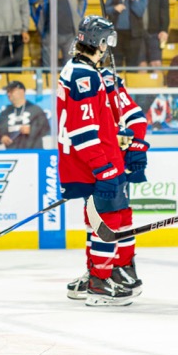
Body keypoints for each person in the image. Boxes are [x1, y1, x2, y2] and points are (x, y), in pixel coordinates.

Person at [53, 15, 136, 305]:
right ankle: (100, 281)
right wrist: (104, 168)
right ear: (99, 42)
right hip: (93, 163)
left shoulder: (80, 69)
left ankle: (101, 272)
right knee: (106, 220)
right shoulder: (83, 75)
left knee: (104, 218)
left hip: (91, 160)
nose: (108, 47)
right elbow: (83, 129)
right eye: (107, 41)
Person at [30, 0, 87, 69]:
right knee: (49, 68)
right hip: (49, 34)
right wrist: (38, 21)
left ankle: (67, 86)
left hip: (70, 33)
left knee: (70, 68)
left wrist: (78, 16)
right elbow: (30, 3)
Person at [110, 0, 147, 70]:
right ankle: (117, 86)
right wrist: (114, 8)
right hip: (117, 35)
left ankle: (130, 85)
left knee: (132, 65)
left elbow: (140, 12)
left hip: (133, 35)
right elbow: (106, 8)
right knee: (116, 65)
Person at [0, 81, 49, 149]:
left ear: (21, 91)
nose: (9, 94)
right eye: (7, 92)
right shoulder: (5, 112)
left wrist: (31, 130)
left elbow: (46, 128)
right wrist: (2, 138)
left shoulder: (35, 110)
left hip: (33, 152)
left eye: (11, 91)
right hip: (13, 153)